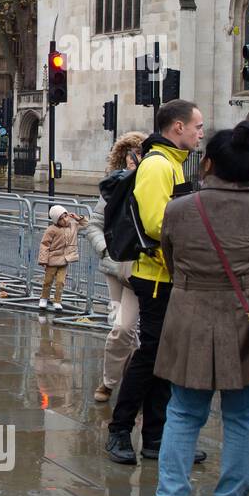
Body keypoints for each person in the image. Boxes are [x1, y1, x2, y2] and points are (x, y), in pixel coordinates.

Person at [146, 120, 249, 496]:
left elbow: (172, 262)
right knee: (244, 419)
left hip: (189, 320)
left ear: (207, 163)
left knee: (183, 413)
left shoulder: (180, 208)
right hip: (248, 324)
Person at [106, 98, 205, 465]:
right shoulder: (159, 166)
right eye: (197, 126)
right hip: (157, 278)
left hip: (169, 276)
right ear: (177, 127)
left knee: (164, 357)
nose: (201, 132)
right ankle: (119, 430)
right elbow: (157, 226)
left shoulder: (173, 165)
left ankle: (154, 438)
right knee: (151, 356)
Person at [83, 131, 146, 402]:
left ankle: (110, 382)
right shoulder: (113, 187)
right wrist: (105, 249)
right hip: (113, 269)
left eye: (139, 153)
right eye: (131, 154)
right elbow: (93, 225)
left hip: (139, 270)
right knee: (121, 326)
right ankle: (125, 378)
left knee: (124, 328)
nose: (135, 159)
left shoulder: (150, 185)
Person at [37, 205, 87, 311]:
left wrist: (78, 218)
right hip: (52, 260)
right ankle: (44, 298)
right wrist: (43, 260)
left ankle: (57, 301)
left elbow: (88, 225)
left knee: (60, 282)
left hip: (65, 260)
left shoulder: (73, 225)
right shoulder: (51, 230)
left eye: (65, 216)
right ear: (56, 221)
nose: (65, 220)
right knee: (48, 281)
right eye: (61, 218)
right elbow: (44, 245)